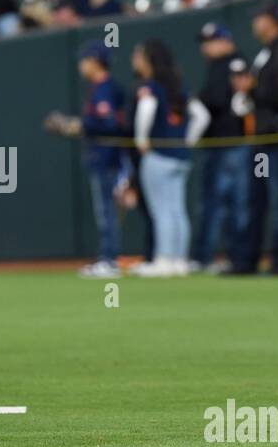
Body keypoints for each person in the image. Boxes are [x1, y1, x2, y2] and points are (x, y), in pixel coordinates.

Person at [231, 3, 278, 276]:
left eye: (259, 18)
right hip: (262, 143)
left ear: (273, 22)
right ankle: (246, 261)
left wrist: (255, 88)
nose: (255, 24)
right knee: (255, 202)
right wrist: (249, 93)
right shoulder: (265, 55)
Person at [45, 44, 128, 278]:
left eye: (85, 60)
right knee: (105, 211)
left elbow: (110, 125)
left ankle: (109, 260)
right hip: (103, 156)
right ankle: (108, 257)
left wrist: (79, 125)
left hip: (108, 157)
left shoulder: (104, 88)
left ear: (95, 61)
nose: (81, 65)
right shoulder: (99, 88)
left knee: (107, 211)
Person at [131, 39, 210, 277]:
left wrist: (141, 139)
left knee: (161, 211)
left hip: (158, 155)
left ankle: (164, 260)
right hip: (181, 157)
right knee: (177, 210)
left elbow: (146, 109)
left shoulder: (151, 87)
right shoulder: (180, 87)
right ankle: (178, 261)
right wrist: (189, 141)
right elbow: (202, 116)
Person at [191, 22, 250, 274]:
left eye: (212, 41)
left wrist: (197, 98)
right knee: (214, 204)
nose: (206, 47)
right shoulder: (216, 65)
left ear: (226, 41)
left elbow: (218, 99)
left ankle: (233, 257)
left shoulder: (235, 63)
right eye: (205, 42)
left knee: (232, 204)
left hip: (232, 143)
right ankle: (206, 257)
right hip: (216, 143)